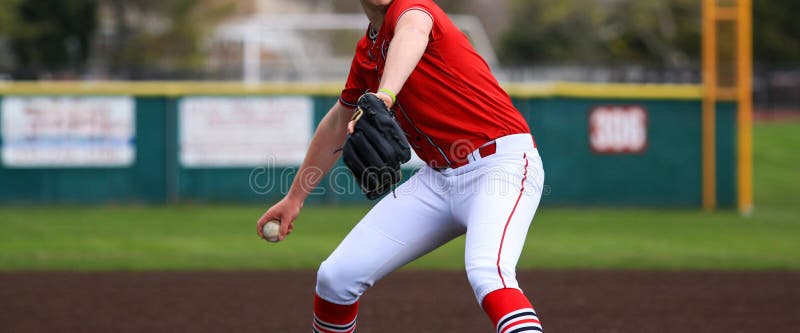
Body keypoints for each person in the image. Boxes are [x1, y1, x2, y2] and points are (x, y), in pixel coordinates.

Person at [257, 0, 545, 332]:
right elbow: (338, 121)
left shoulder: (413, 9)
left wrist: (385, 95)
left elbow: (413, 31)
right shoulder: (368, 52)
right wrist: (295, 198)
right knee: (337, 277)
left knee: (488, 272)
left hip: (500, 166)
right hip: (438, 180)